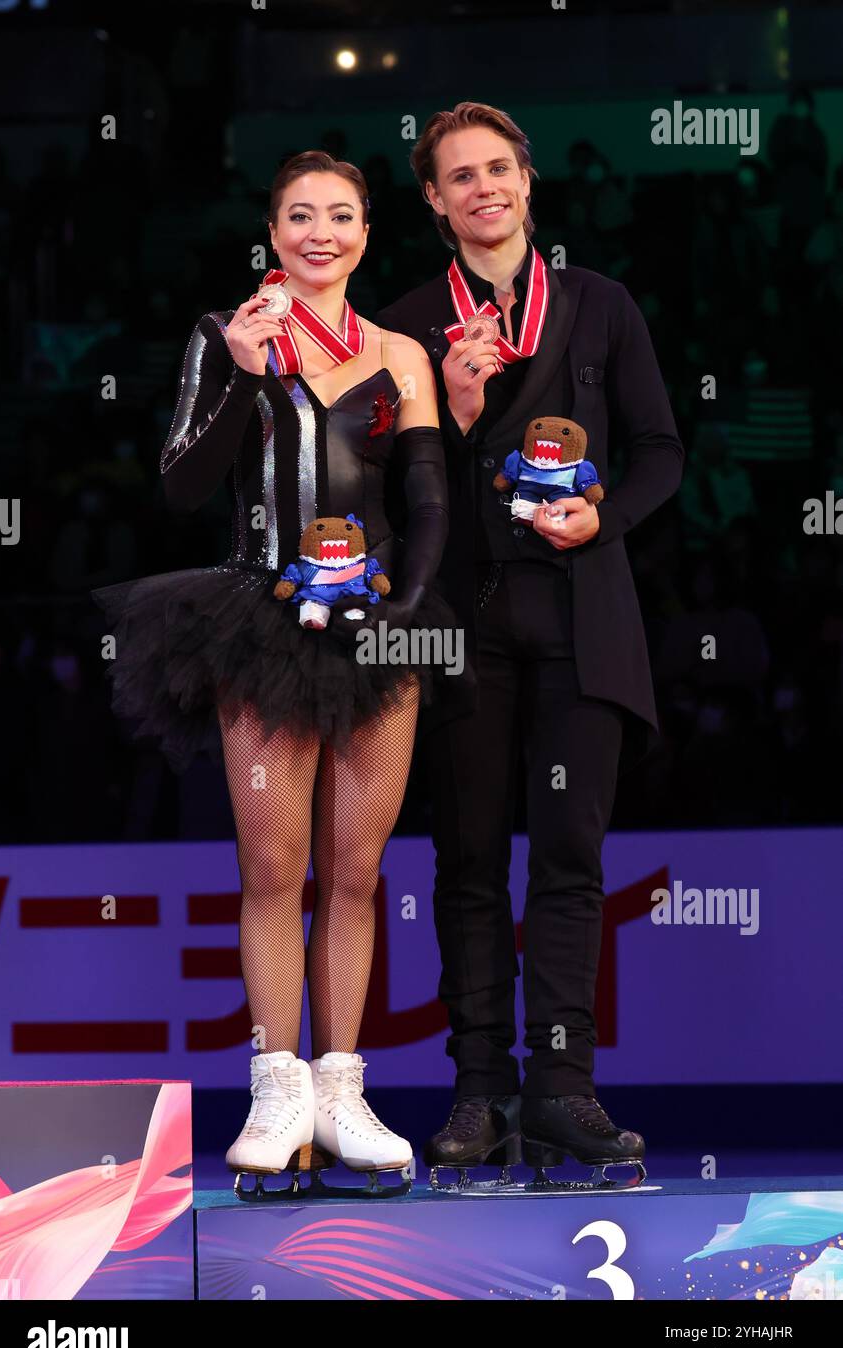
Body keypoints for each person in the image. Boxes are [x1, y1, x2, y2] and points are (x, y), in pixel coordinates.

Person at [92, 151, 451, 1190]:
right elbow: (179, 485)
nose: (319, 232)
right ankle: (275, 1083)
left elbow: (426, 496)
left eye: (339, 215)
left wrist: (410, 601)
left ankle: (340, 1091)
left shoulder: (398, 352)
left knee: (354, 870)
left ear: (367, 234)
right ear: (272, 231)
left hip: (375, 628)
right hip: (258, 616)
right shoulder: (232, 334)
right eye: (299, 215)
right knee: (271, 866)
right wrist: (244, 374)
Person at [378, 103, 684, 1180]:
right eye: (457, 176)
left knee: (567, 858)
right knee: (464, 860)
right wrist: (455, 417)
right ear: (432, 199)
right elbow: (381, 496)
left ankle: (561, 1088)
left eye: (496, 168)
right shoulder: (408, 323)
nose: (481, 188)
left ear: (525, 179)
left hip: (579, 612)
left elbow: (657, 451)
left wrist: (606, 516)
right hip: (463, 617)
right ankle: (477, 1093)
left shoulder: (599, 306)